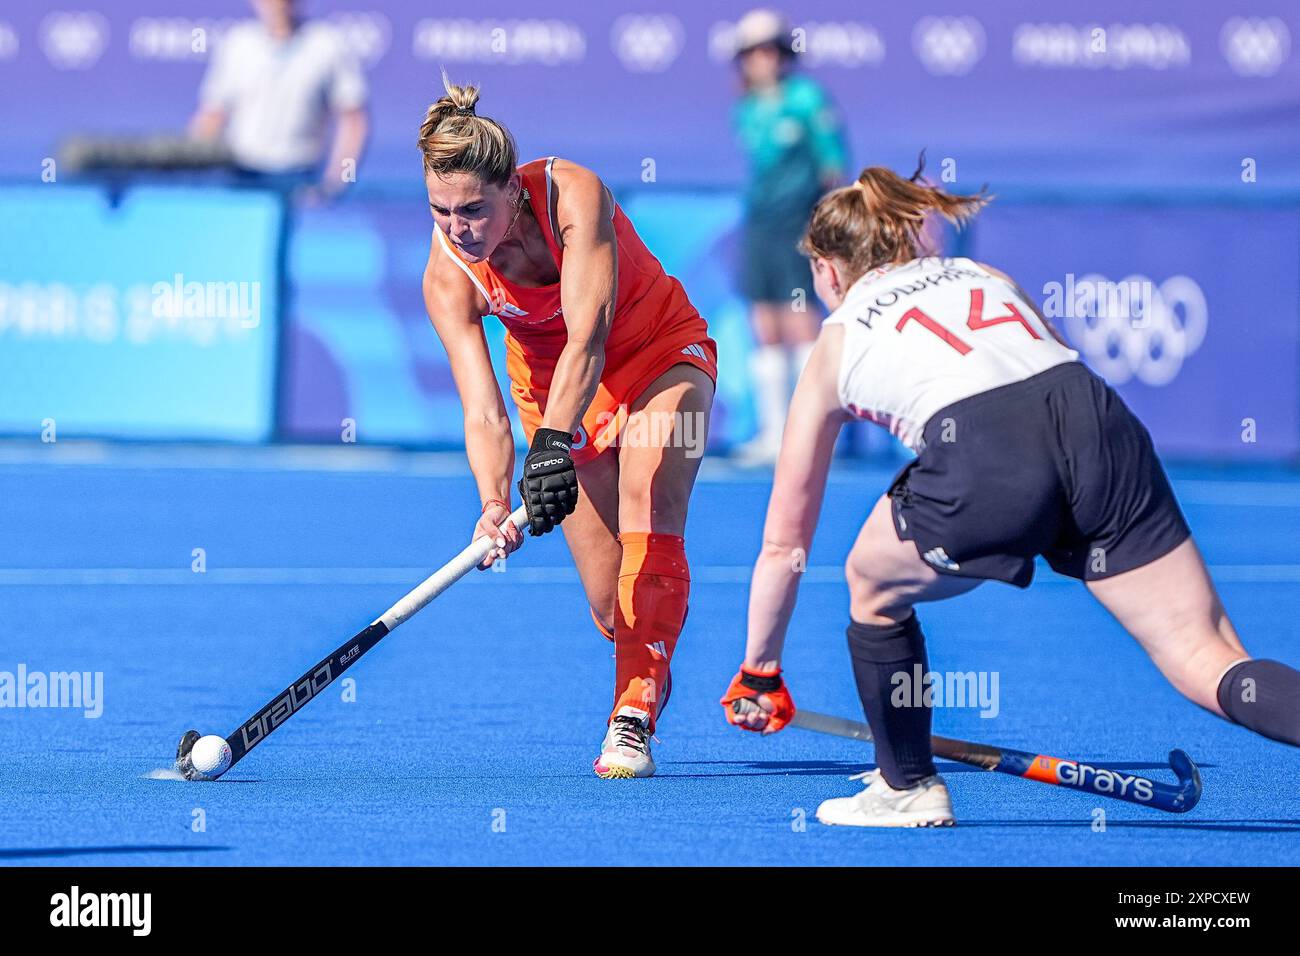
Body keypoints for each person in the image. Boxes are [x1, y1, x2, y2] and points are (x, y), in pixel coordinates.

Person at [720, 162, 1300, 826]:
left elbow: (783, 544)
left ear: (826, 272)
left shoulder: (837, 339)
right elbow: (1048, 380)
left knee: (869, 581)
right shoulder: (985, 276)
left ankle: (907, 786)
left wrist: (761, 669)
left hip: (987, 452)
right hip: (1100, 425)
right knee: (1211, 656)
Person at [418, 77, 718, 779]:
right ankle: (647, 664)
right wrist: (493, 502)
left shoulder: (571, 194)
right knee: (615, 603)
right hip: (556, 396)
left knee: (650, 499)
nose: (459, 228)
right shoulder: (448, 273)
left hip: (655, 353)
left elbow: (590, 334)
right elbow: (483, 407)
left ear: (511, 193)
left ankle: (630, 718)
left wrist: (551, 447)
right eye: (440, 211)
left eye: (473, 210)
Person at [731, 9, 846, 464]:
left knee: (801, 323)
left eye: (773, 50)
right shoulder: (746, 108)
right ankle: (774, 434)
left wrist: (827, 227)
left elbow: (832, 167)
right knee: (765, 323)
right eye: (755, 51)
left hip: (800, 227)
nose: (764, 59)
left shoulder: (808, 99)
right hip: (761, 224)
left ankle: (812, 434)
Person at [189, 0, 369, 200]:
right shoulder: (238, 44)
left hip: (299, 176)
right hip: (242, 174)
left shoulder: (326, 45)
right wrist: (192, 169)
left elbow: (353, 120)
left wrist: (338, 182)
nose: (277, 4)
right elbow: (212, 115)